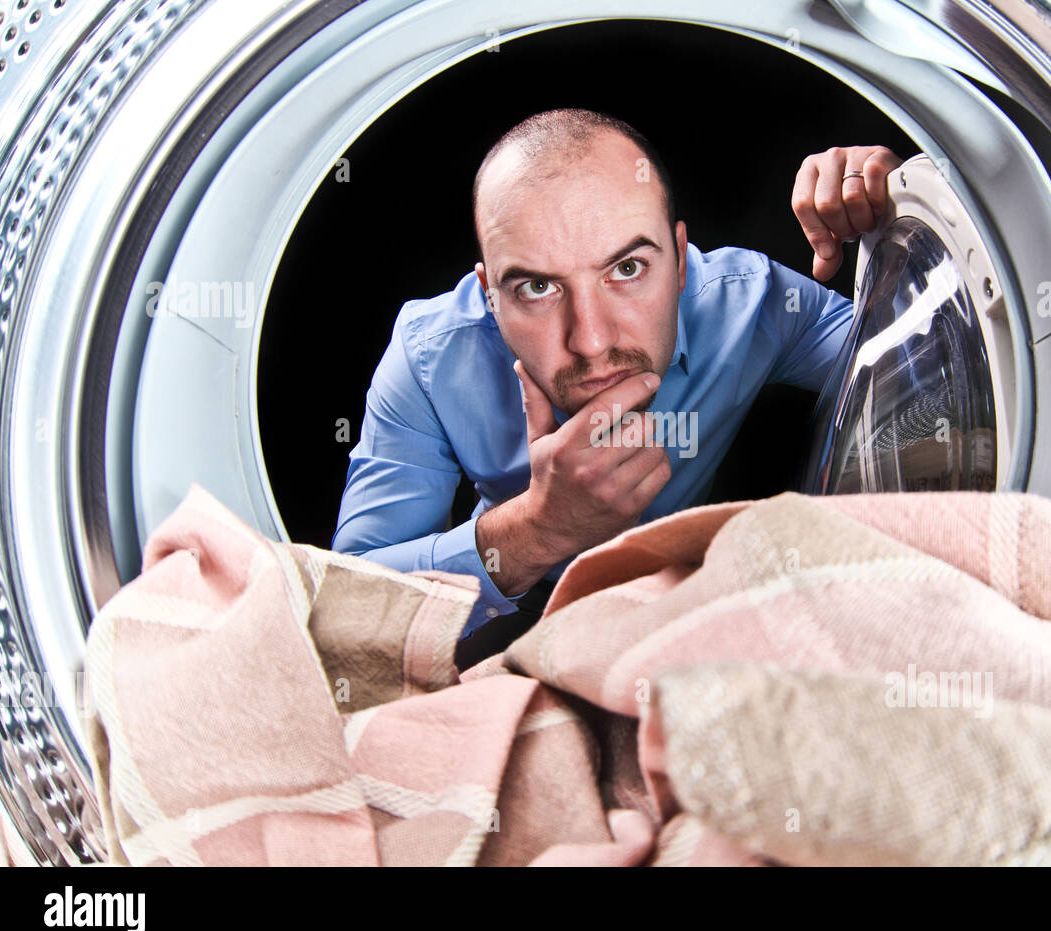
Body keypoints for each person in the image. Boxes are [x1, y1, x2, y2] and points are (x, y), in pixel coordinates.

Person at [332, 107, 902, 663]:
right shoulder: (430, 355)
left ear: (680, 262)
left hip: (694, 604)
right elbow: (346, 613)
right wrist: (537, 529)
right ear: (489, 293)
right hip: (515, 608)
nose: (592, 340)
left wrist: (897, 212)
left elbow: (928, 360)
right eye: (535, 287)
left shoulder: (752, 303)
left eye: (626, 269)